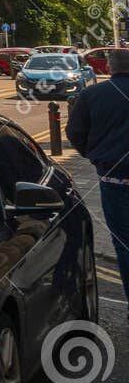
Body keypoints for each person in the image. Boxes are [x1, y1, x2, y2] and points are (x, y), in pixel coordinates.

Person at [66, 47, 129, 308]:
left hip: (114, 181)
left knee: (124, 245)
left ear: (109, 68)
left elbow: (75, 133)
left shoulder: (92, 95)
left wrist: (95, 156)